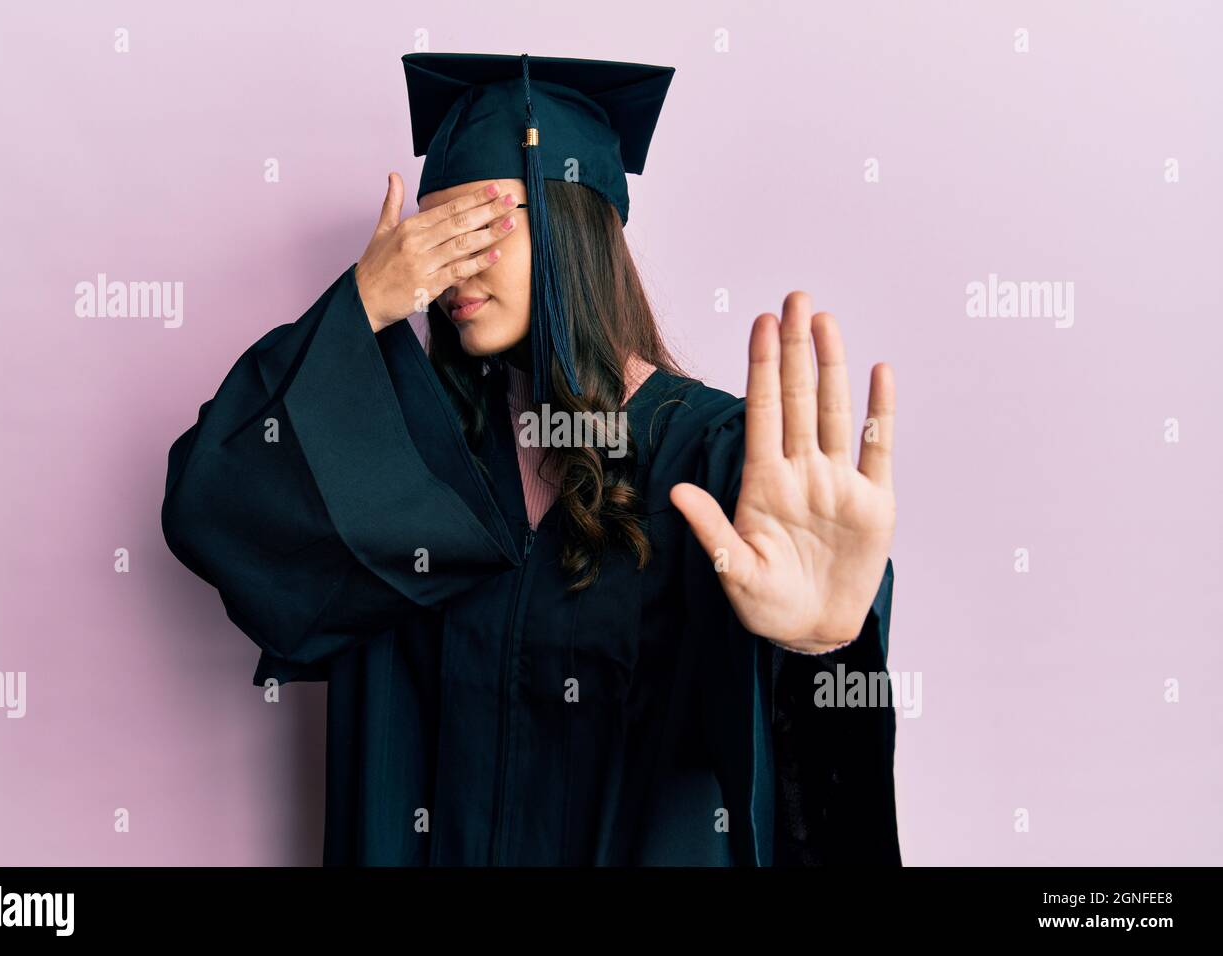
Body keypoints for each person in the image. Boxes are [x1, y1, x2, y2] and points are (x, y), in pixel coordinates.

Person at [161, 52, 900, 865]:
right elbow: (213, 508)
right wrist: (363, 304)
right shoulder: (406, 462)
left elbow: (807, 800)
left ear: (571, 220)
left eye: (480, 222)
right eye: (430, 238)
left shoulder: (716, 464)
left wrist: (827, 654)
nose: (447, 268)